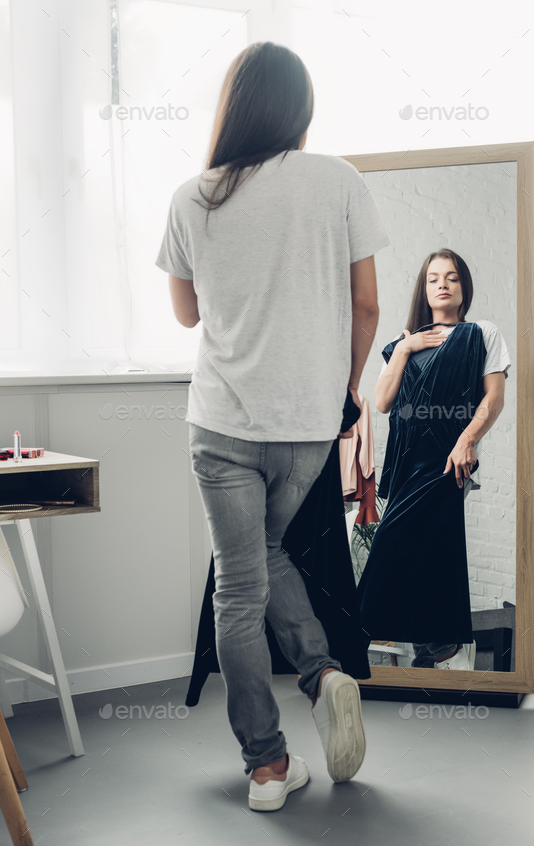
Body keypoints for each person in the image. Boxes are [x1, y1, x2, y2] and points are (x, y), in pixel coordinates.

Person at [155, 41, 390, 811]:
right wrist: (346, 392)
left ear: (234, 106)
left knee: (239, 585)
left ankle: (266, 765)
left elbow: (188, 313)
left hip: (222, 424)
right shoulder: (339, 181)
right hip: (307, 427)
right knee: (265, 553)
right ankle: (324, 674)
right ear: (300, 109)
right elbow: (365, 307)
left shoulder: (195, 195)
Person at [357, 249, 511, 671]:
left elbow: (493, 399)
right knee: (430, 547)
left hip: (447, 460)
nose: (442, 284)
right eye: (433, 278)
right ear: (424, 290)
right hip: (406, 462)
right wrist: (405, 349)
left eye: (452, 277)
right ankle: (435, 643)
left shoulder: (482, 333)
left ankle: (355, 633)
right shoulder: (402, 341)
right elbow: (384, 402)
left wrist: (468, 439)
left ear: (463, 289)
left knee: (400, 544)